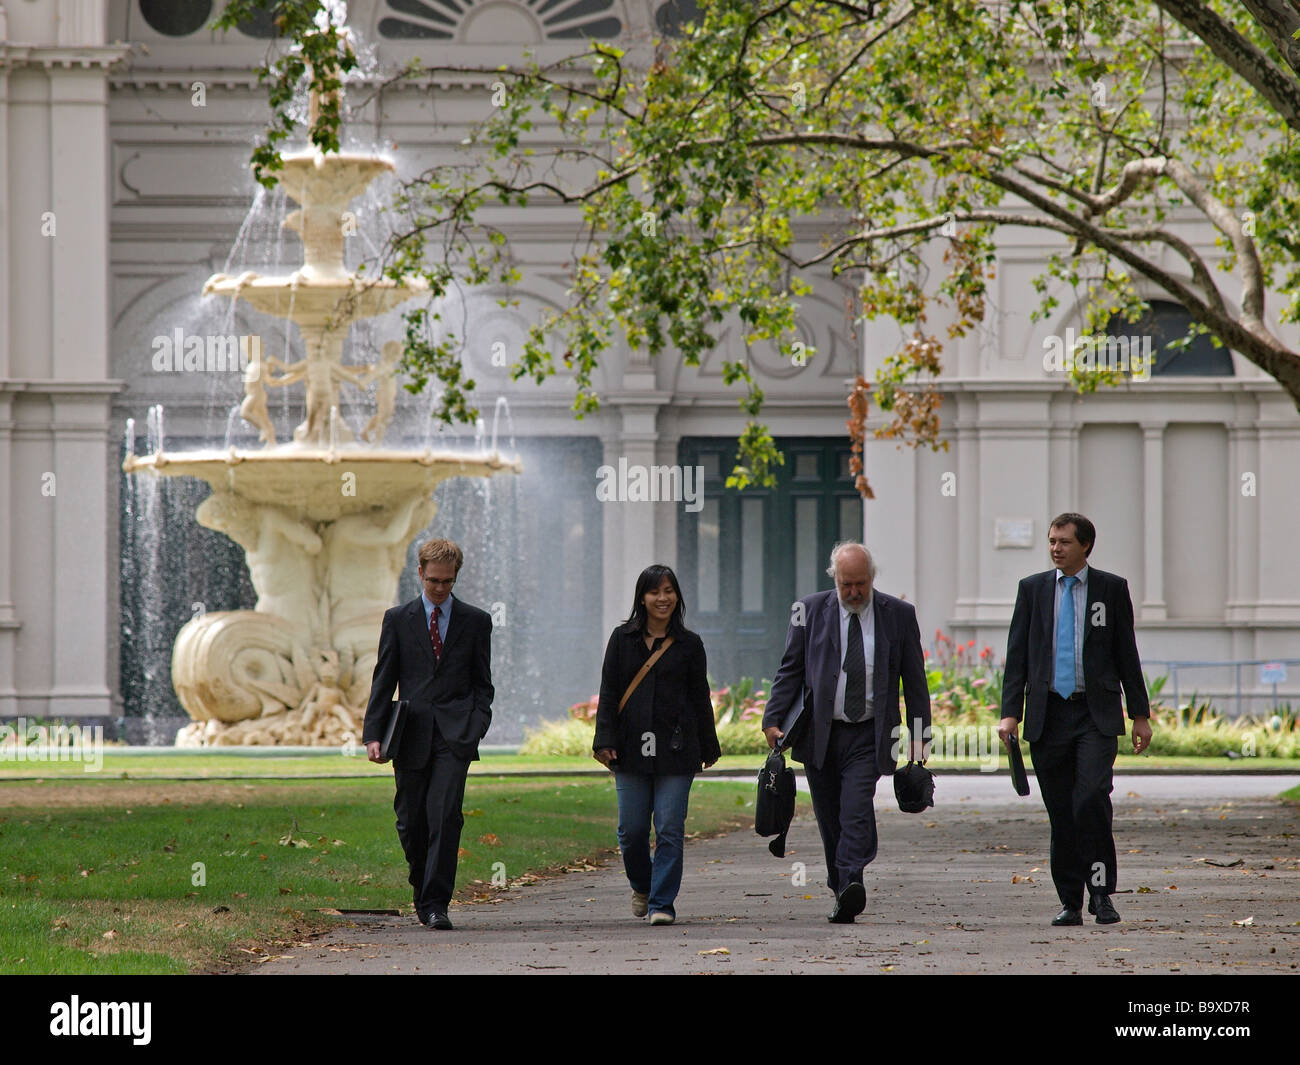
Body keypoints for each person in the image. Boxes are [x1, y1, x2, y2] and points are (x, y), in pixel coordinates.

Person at [998, 512, 1152, 927]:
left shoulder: (1110, 589)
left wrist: (1140, 714)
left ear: (1085, 545)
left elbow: (1126, 654)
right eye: (1051, 541)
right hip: (1048, 716)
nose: (1055, 548)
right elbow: (1017, 657)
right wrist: (1010, 714)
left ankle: (1102, 894)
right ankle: (1070, 901)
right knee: (1062, 812)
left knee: (1091, 801)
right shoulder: (1031, 590)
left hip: (1094, 715)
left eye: (1064, 541)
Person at [762, 541, 930, 924]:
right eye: (846, 584)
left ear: (872, 578)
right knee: (829, 816)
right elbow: (790, 669)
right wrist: (772, 720)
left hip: (870, 731)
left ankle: (852, 878)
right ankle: (841, 887)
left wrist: (920, 736)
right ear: (834, 579)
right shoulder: (809, 610)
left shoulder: (898, 615)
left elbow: (915, 681)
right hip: (820, 732)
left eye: (860, 584)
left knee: (856, 807)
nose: (854, 592)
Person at [362, 538, 494, 931]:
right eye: (434, 580)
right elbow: (383, 678)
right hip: (410, 733)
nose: (440, 588)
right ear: (419, 573)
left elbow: (482, 683)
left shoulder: (476, 621)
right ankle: (422, 888)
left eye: (448, 582)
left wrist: (476, 725)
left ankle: (437, 903)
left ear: (456, 578)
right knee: (409, 820)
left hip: (455, 736)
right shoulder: (398, 619)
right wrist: (374, 733)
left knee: (444, 815)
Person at [593, 564, 721, 926]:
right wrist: (604, 739)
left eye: (668, 591)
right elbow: (609, 692)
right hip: (630, 747)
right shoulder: (622, 639)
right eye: (654, 592)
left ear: (677, 596)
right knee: (631, 831)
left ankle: (662, 903)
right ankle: (643, 885)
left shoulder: (690, 644)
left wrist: (708, 746)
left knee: (668, 826)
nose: (662, 598)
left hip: (676, 749)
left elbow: (701, 697)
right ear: (642, 598)